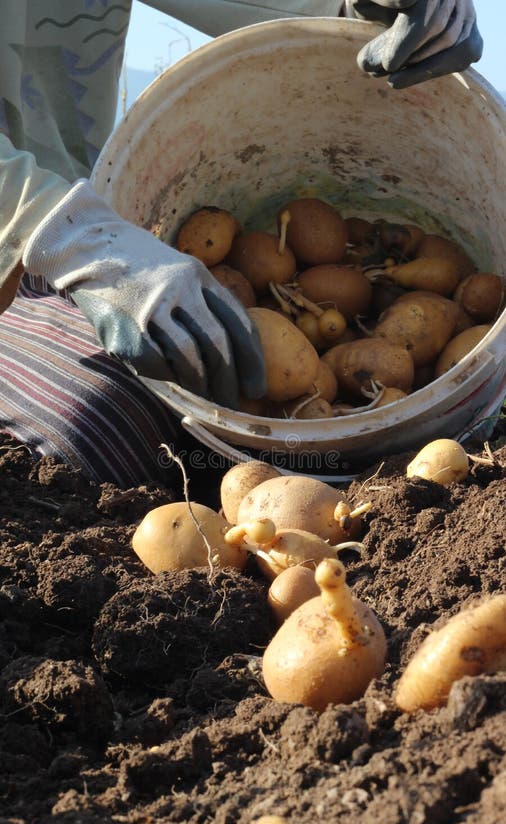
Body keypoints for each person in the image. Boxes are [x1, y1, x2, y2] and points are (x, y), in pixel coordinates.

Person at [0, 1, 483, 487]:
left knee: (178, 389)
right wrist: (65, 236)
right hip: (23, 255)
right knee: (103, 435)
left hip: (93, 217)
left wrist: (356, 9)